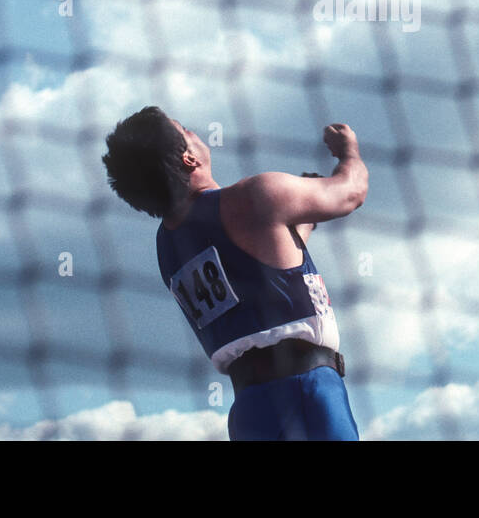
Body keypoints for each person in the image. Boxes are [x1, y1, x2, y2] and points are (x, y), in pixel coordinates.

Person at [101, 107, 368, 440]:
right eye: (185, 130)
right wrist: (348, 151)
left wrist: (301, 223)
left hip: (250, 413)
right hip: (308, 392)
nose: (194, 132)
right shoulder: (255, 195)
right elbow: (351, 192)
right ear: (189, 159)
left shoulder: (168, 247)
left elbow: (256, 271)